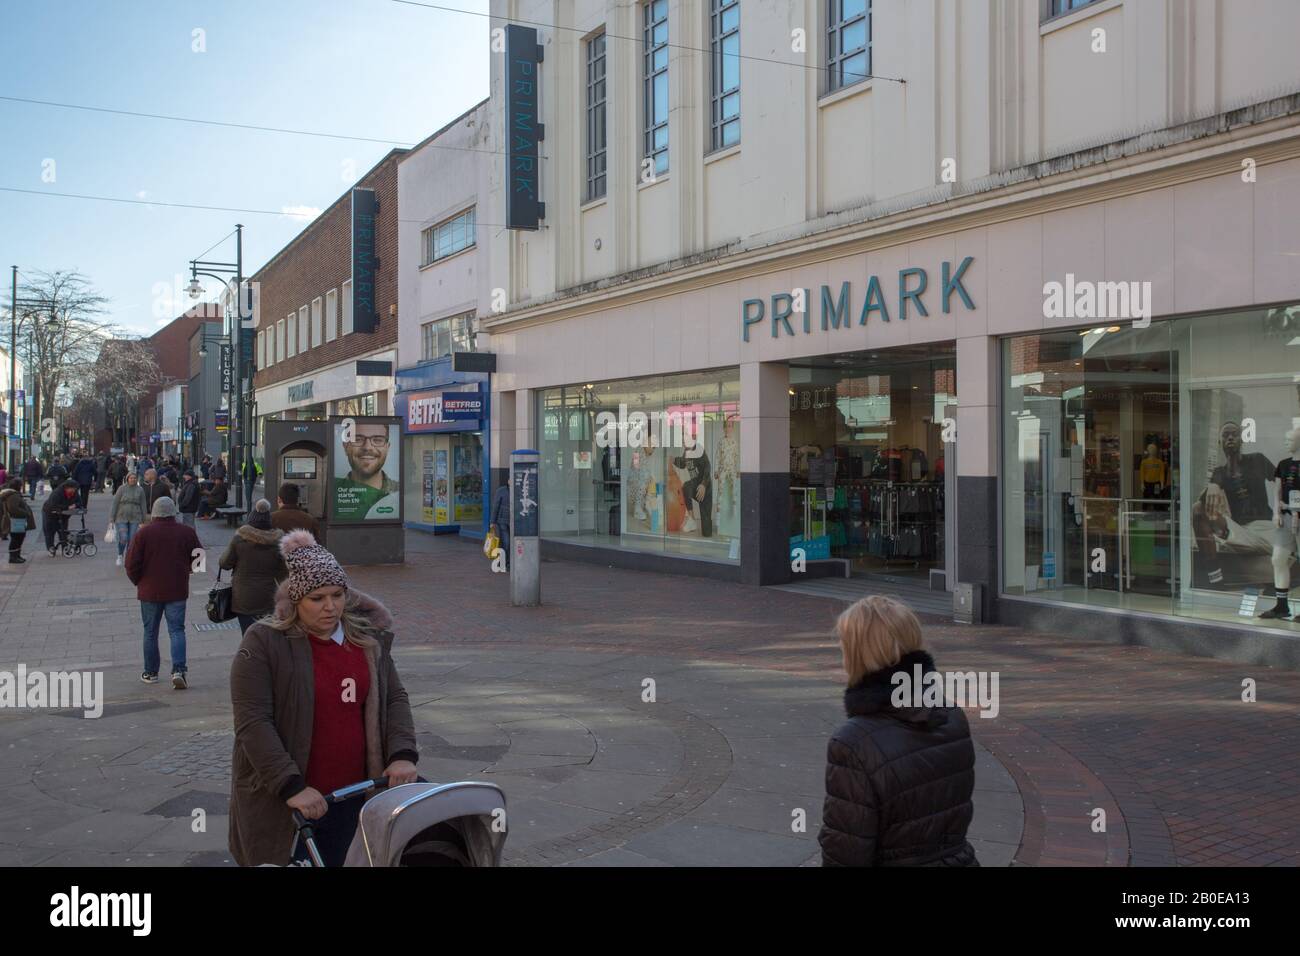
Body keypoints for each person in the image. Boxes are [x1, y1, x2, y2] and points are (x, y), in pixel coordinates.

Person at [228, 530, 419, 867]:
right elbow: (253, 723)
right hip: (291, 804)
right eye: (317, 599)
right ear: (296, 600)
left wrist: (403, 754)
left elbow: (395, 698)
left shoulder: (367, 642)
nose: (331, 607)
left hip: (358, 796)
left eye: (338, 595)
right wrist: (291, 786)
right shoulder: (262, 643)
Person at [818, 596, 978, 867]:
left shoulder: (853, 743)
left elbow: (846, 852)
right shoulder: (951, 716)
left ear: (858, 654)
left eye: (845, 647)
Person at [125, 496, 202, 688]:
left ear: (155, 512)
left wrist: (139, 581)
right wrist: (189, 570)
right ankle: (179, 670)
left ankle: (150, 672)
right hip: (177, 589)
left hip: (149, 591)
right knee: (177, 630)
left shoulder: (144, 534)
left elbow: (131, 563)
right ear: (173, 511)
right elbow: (199, 559)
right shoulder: (187, 532)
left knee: (150, 632)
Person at [1191, 420, 1279, 587]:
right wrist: (1212, 485)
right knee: (1197, 509)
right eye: (1225, 435)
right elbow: (1202, 507)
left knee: (1291, 557)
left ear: (1242, 440)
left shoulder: (1257, 459)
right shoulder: (1219, 473)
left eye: (1234, 434)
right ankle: (1215, 579)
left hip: (1266, 528)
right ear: (1220, 442)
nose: (1230, 438)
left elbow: (1282, 481)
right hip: (1241, 533)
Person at [219, 500, 288, 634]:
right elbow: (284, 573)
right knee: (268, 636)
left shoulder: (239, 540)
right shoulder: (278, 542)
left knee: (248, 636)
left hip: (243, 597)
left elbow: (224, 563)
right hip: (269, 596)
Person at [333, 424, 399, 520]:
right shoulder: (333, 491)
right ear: (345, 447)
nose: (367, 447)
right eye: (358, 439)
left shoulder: (400, 493)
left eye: (377, 440)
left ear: (387, 447)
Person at [109, 471, 147, 567]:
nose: (132, 479)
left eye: (134, 478)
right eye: (131, 478)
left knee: (131, 539)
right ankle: (120, 554)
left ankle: (129, 558)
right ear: (127, 479)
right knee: (123, 537)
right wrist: (111, 517)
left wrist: (144, 519)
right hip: (121, 516)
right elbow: (115, 503)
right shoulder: (121, 489)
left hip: (135, 517)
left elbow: (143, 504)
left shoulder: (140, 490)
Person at [1, 477, 36, 564]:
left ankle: (16, 555)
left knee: (18, 538)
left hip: (16, 520)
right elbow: (13, 508)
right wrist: (26, 513)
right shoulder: (13, 495)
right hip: (16, 520)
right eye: (20, 485)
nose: (21, 486)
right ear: (17, 486)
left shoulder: (13, 494)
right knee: (17, 538)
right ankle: (13, 557)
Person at [41, 479, 80, 553]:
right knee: (49, 531)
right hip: (50, 513)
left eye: (75, 489)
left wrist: (75, 505)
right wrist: (67, 507)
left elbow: (79, 502)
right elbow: (53, 505)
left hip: (64, 515)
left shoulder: (75, 493)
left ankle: (65, 547)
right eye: (73, 489)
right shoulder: (57, 493)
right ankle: (50, 547)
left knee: (63, 531)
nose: (74, 491)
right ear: (67, 487)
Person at [490, 481, 511, 570]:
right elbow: (496, 506)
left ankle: (504, 562)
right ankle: (505, 563)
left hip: (515, 521)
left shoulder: (519, 490)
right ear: (508, 481)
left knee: (509, 543)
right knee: (506, 542)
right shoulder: (501, 491)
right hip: (503, 521)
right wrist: (492, 521)